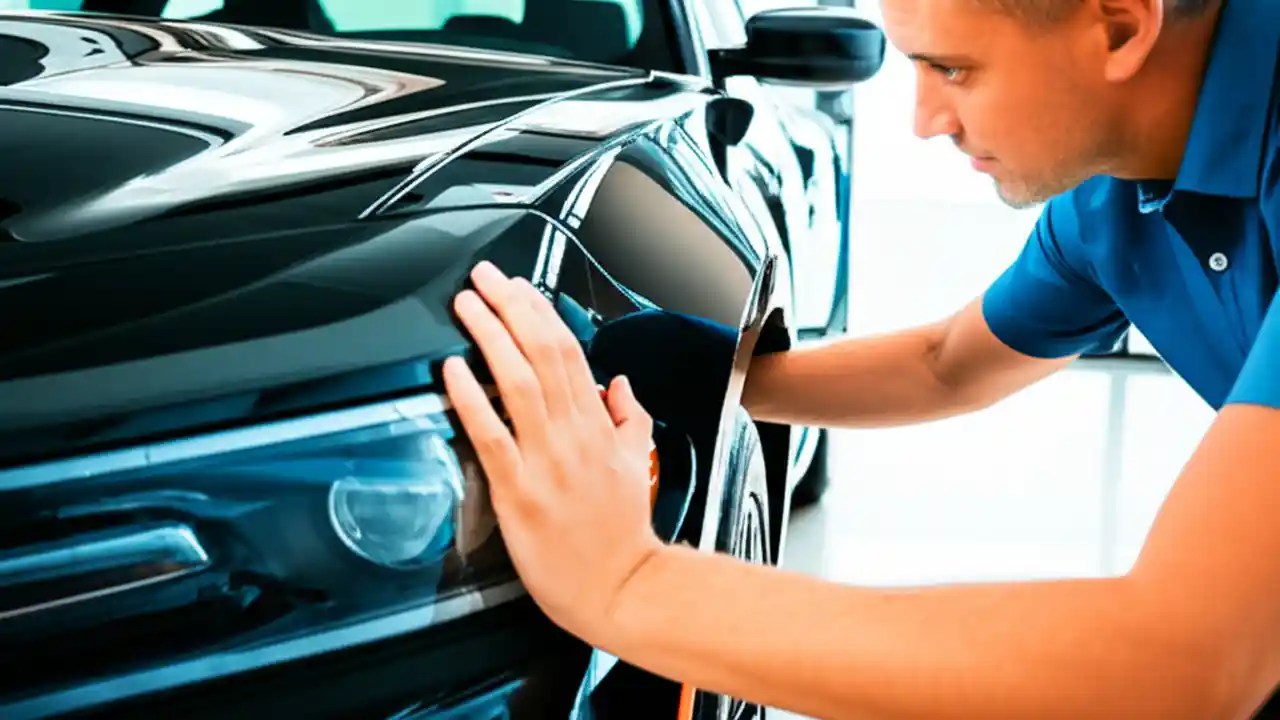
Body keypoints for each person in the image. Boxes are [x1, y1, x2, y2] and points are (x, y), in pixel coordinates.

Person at [440, 0, 1280, 717]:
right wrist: (710, 378)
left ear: (1121, 27)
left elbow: (1184, 665)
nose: (925, 120)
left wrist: (624, 581)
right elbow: (946, 363)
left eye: (953, 70)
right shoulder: (1110, 201)